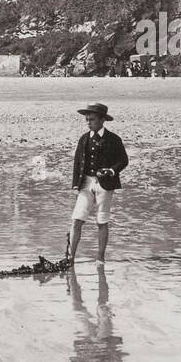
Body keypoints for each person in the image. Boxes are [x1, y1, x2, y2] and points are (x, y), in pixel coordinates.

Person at [68, 102, 128, 264]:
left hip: (105, 185)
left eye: (92, 119)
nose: (88, 122)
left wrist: (111, 170)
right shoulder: (84, 139)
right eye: (86, 119)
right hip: (86, 183)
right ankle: (70, 258)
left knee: (102, 221)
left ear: (102, 120)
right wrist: (75, 185)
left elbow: (123, 160)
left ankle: (100, 258)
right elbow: (77, 163)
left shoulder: (114, 139)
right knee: (76, 220)